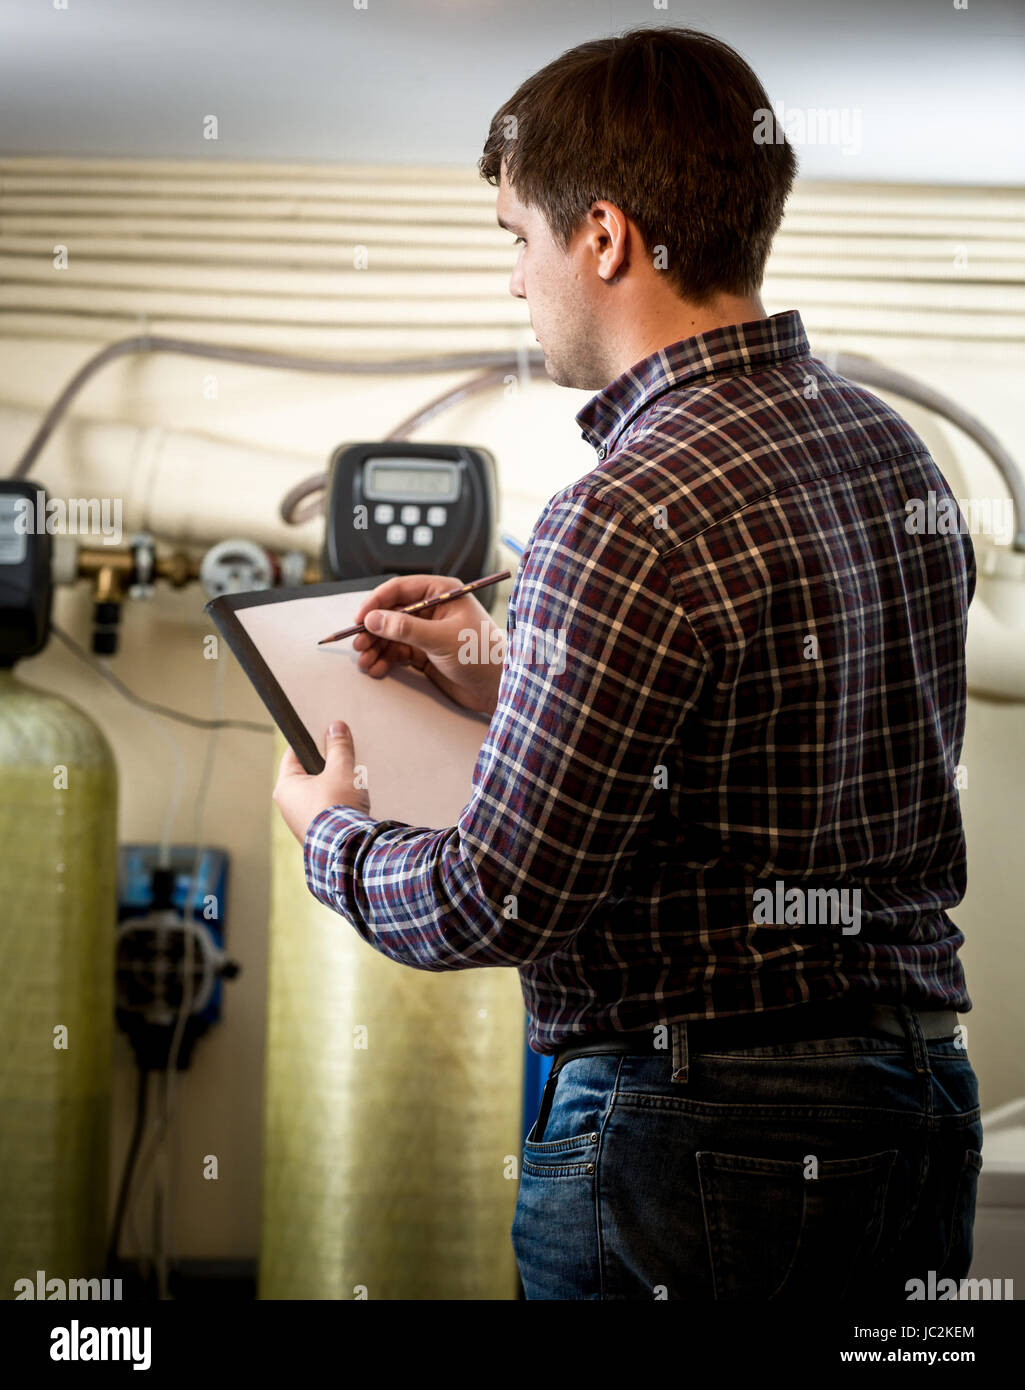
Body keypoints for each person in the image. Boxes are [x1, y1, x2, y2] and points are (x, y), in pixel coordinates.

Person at [272, 26, 982, 1300]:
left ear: (599, 237)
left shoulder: (624, 504)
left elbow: (497, 899)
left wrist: (331, 833)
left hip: (696, 1133)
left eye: (515, 238)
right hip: (914, 1099)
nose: (514, 281)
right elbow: (747, 722)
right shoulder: (893, 456)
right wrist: (515, 661)